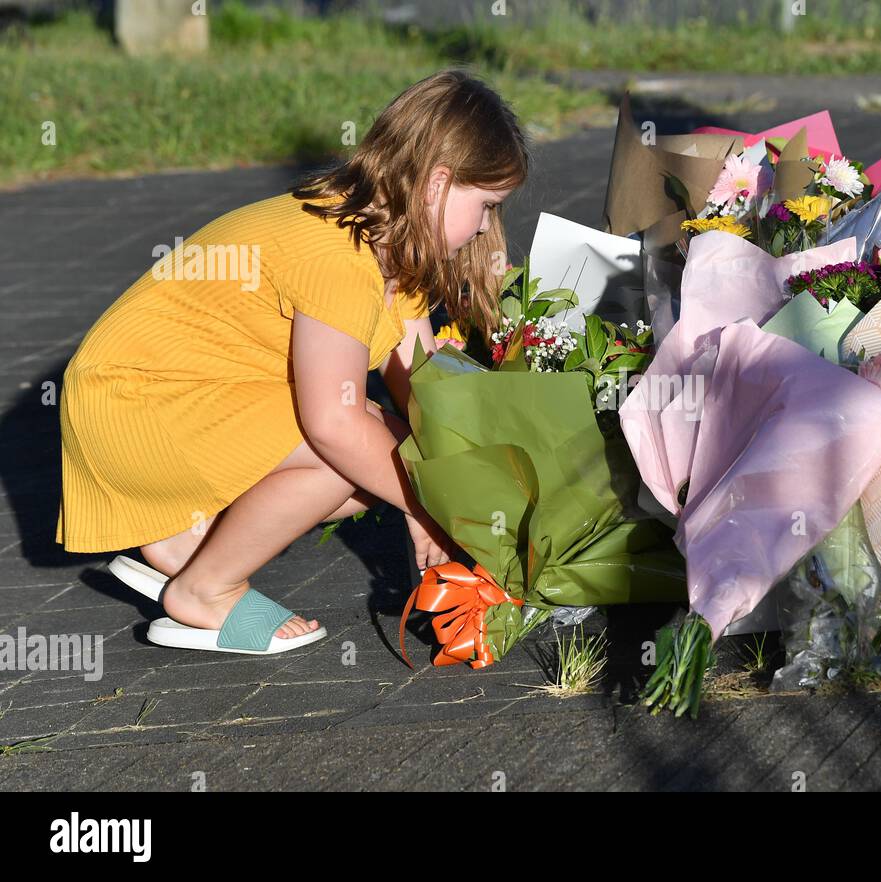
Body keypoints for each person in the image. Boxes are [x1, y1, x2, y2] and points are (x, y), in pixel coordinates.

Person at [55, 69, 529, 654]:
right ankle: (206, 589)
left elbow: (430, 398)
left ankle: (193, 543)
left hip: (166, 397)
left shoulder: (388, 248)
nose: (487, 226)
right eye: (486, 205)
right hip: (129, 406)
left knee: (383, 451)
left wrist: (483, 487)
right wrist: (433, 507)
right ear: (436, 183)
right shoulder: (337, 254)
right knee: (349, 446)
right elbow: (334, 426)